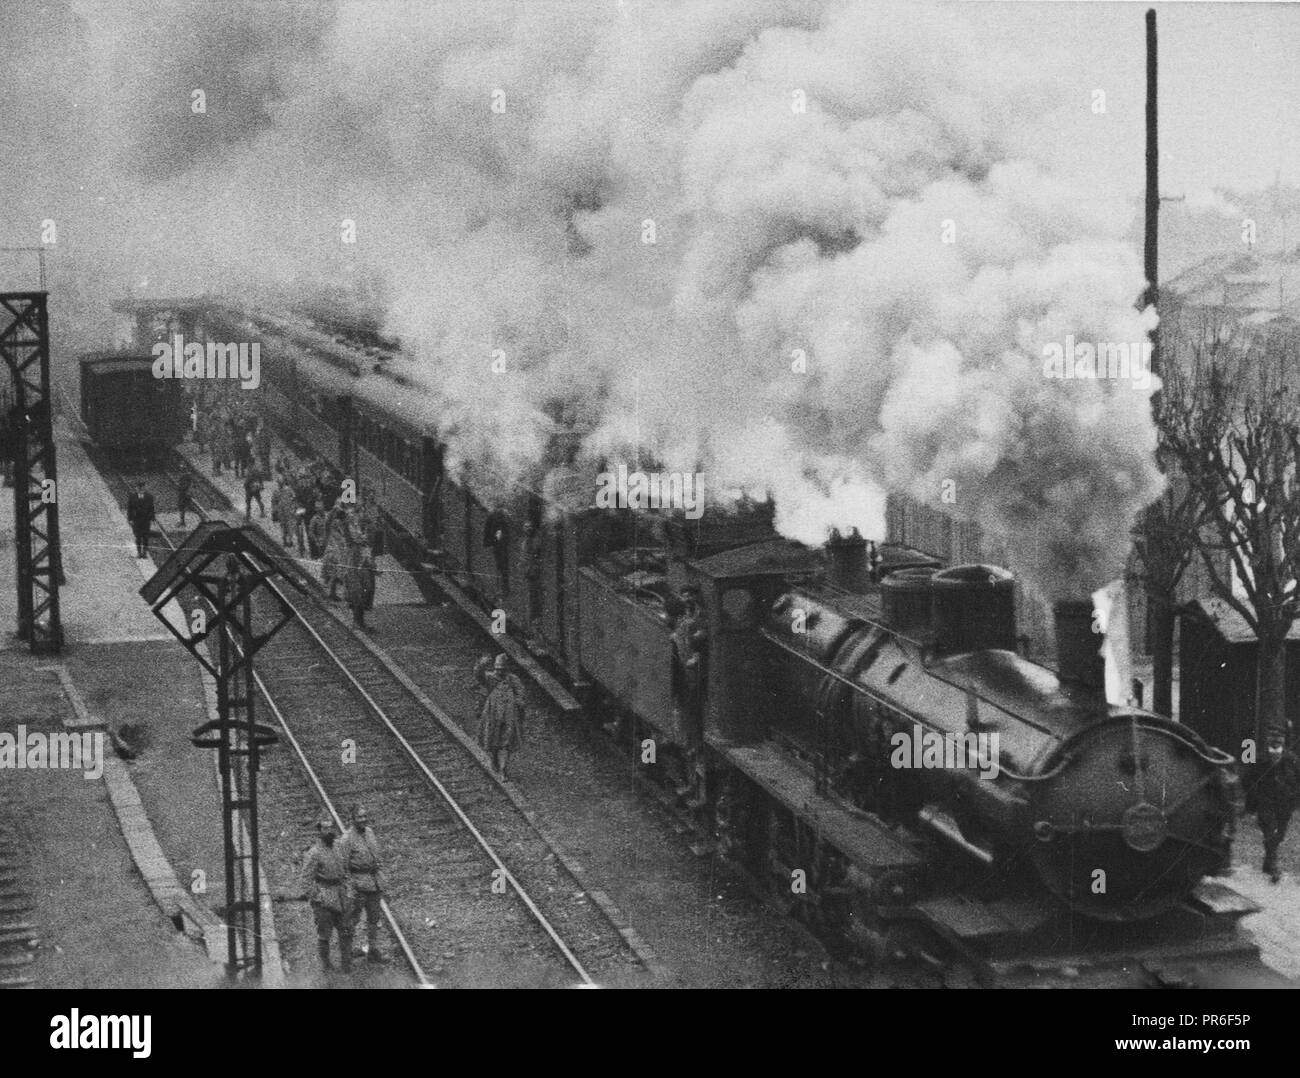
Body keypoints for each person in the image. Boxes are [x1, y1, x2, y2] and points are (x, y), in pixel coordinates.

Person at [338, 805, 388, 963]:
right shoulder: (346, 839)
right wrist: (350, 888)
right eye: (359, 817)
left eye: (364, 816)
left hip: (374, 883)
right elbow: (343, 867)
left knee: (374, 919)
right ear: (352, 819)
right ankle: (346, 953)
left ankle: (373, 950)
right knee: (353, 920)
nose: (363, 819)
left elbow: (376, 855)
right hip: (358, 885)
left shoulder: (370, 832)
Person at [302, 816, 351, 971]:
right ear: (319, 831)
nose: (329, 831)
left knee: (346, 930)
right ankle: (326, 965)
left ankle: (346, 963)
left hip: (341, 895)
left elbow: (346, 869)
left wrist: (348, 888)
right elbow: (305, 881)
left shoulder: (339, 847)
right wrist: (317, 898)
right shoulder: (314, 853)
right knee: (324, 934)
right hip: (324, 898)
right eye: (325, 828)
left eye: (331, 827)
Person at [1253, 730, 1300, 883]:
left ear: (1284, 740)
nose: (1276, 740)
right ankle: (1274, 866)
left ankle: (1267, 861)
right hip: (1265, 802)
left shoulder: (1291, 759)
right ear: (1267, 739)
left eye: (1279, 737)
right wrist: (1252, 803)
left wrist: (1295, 799)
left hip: (1285, 803)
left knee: (1279, 835)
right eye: (1273, 737)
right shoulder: (1259, 758)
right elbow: (1249, 780)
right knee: (1269, 831)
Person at [474, 653, 526, 779]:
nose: (499, 671)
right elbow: (478, 675)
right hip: (492, 712)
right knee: (492, 737)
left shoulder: (513, 679)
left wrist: (519, 701)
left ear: (507, 668)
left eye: (502, 669)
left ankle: (503, 769)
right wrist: (481, 664)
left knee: (506, 741)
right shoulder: (490, 677)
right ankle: (494, 761)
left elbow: (520, 692)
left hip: (509, 714)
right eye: (497, 668)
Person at [126, 480, 155, 558]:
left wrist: (152, 518)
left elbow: (152, 508)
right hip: (136, 520)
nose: (140, 489)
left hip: (146, 520)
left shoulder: (149, 497)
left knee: (145, 537)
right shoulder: (132, 497)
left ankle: (144, 553)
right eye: (138, 488)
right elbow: (129, 509)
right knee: (138, 537)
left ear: (144, 488)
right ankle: (139, 552)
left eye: (141, 488)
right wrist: (130, 519)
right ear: (136, 488)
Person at [272, 476, 297, 548]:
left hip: (288, 511)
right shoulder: (276, 491)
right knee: (283, 526)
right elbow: (274, 502)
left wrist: (293, 507)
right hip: (281, 512)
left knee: (289, 526)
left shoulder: (288, 489)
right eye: (279, 482)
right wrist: (274, 511)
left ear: (283, 482)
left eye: (281, 482)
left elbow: (294, 498)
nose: (280, 483)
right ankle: (285, 541)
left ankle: (290, 541)